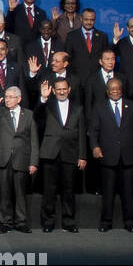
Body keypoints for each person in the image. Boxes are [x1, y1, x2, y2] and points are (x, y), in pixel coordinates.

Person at [89, 78, 133, 232]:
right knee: (107, 192)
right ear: (107, 91)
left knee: (128, 192)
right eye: (112, 89)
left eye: (117, 88)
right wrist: (95, 147)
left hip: (129, 156)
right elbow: (93, 131)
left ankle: (129, 222)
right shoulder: (99, 108)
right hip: (107, 156)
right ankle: (106, 222)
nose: (115, 91)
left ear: (122, 90)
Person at [0, 87, 39, 233]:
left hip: (21, 158)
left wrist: (34, 162)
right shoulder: (0, 112)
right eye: (6, 96)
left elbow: (33, 140)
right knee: (4, 192)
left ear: (19, 99)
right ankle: (5, 222)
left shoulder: (28, 114)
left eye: (10, 97)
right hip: (2, 158)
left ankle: (21, 222)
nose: (7, 99)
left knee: (21, 193)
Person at [36, 79, 86, 233]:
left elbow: (82, 134)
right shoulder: (47, 105)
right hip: (50, 153)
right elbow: (36, 117)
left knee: (69, 190)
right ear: (54, 90)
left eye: (64, 89)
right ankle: (48, 222)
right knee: (49, 190)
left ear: (69, 89)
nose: (62, 91)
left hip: (70, 153)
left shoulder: (78, 108)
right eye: (59, 89)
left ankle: (69, 221)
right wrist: (43, 99)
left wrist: (82, 156)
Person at [62, 8, 109, 81]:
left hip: (97, 79)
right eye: (86, 19)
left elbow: (106, 56)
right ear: (81, 19)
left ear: (95, 20)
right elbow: (68, 58)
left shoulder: (102, 36)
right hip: (77, 78)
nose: (89, 22)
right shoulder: (72, 36)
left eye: (92, 20)